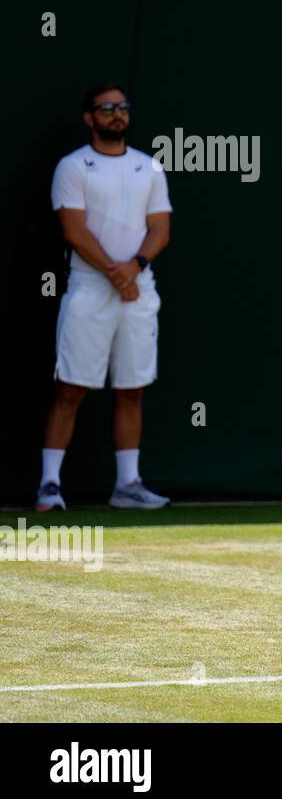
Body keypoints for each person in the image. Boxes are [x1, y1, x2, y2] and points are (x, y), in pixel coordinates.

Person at [36, 84, 173, 512]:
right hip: (90, 289)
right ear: (89, 117)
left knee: (132, 389)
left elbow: (160, 229)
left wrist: (134, 268)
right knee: (71, 388)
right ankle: (49, 485)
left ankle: (128, 485)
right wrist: (116, 273)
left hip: (138, 288)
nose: (117, 115)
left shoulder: (149, 168)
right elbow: (74, 231)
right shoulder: (73, 167)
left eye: (123, 108)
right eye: (107, 108)